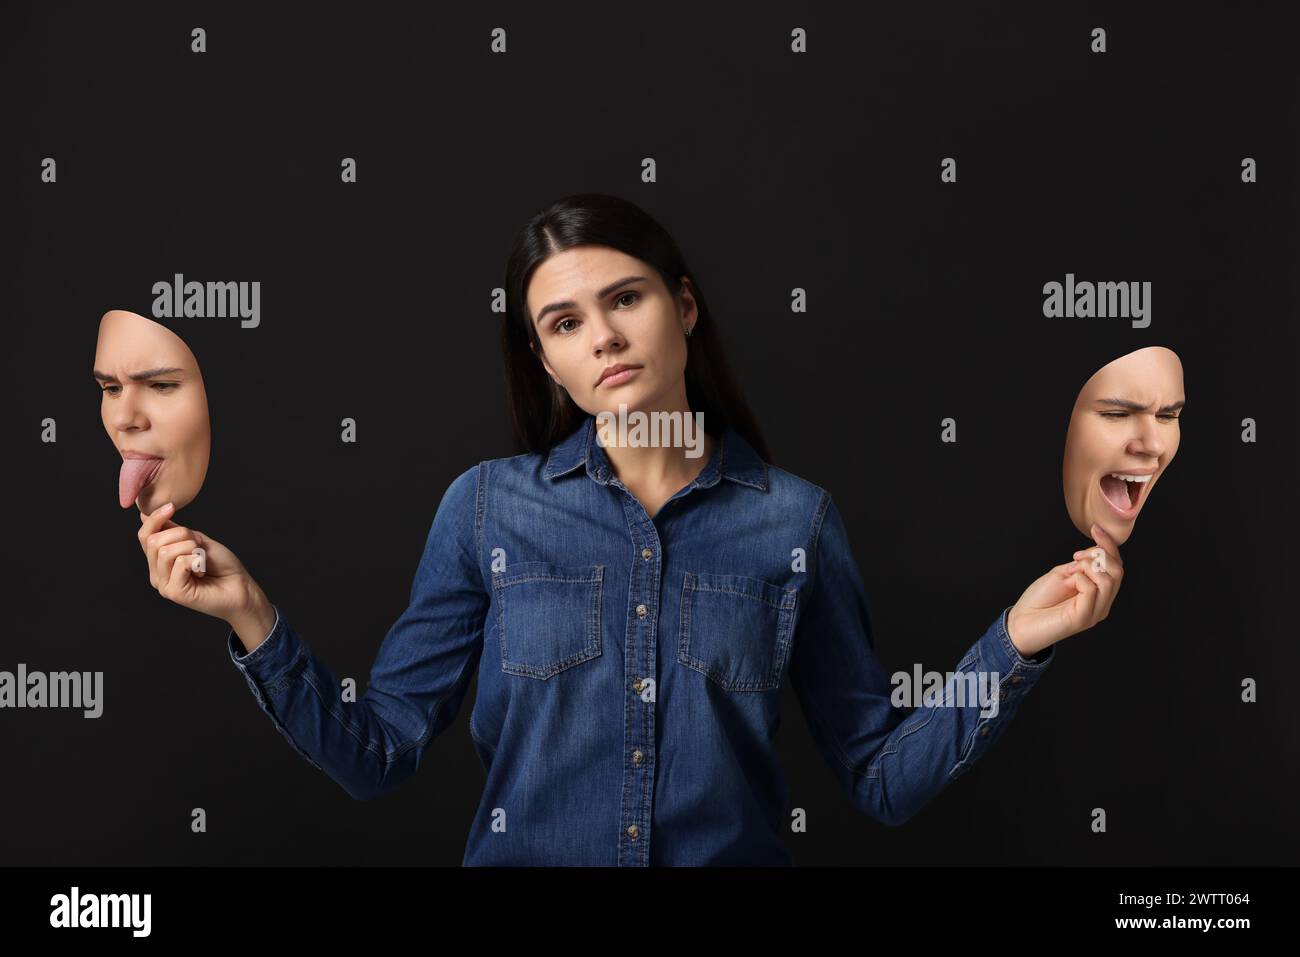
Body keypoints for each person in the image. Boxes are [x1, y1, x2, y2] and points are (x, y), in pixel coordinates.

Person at [135, 193, 1121, 865]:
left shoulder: (794, 520)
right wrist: (252, 616)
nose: (601, 335)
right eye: (563, 323)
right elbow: (377, 754)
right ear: (545, 359)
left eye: (623, 299)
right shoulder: (487, 508)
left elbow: (877, 778)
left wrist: (1016, 645)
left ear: (681, 307)